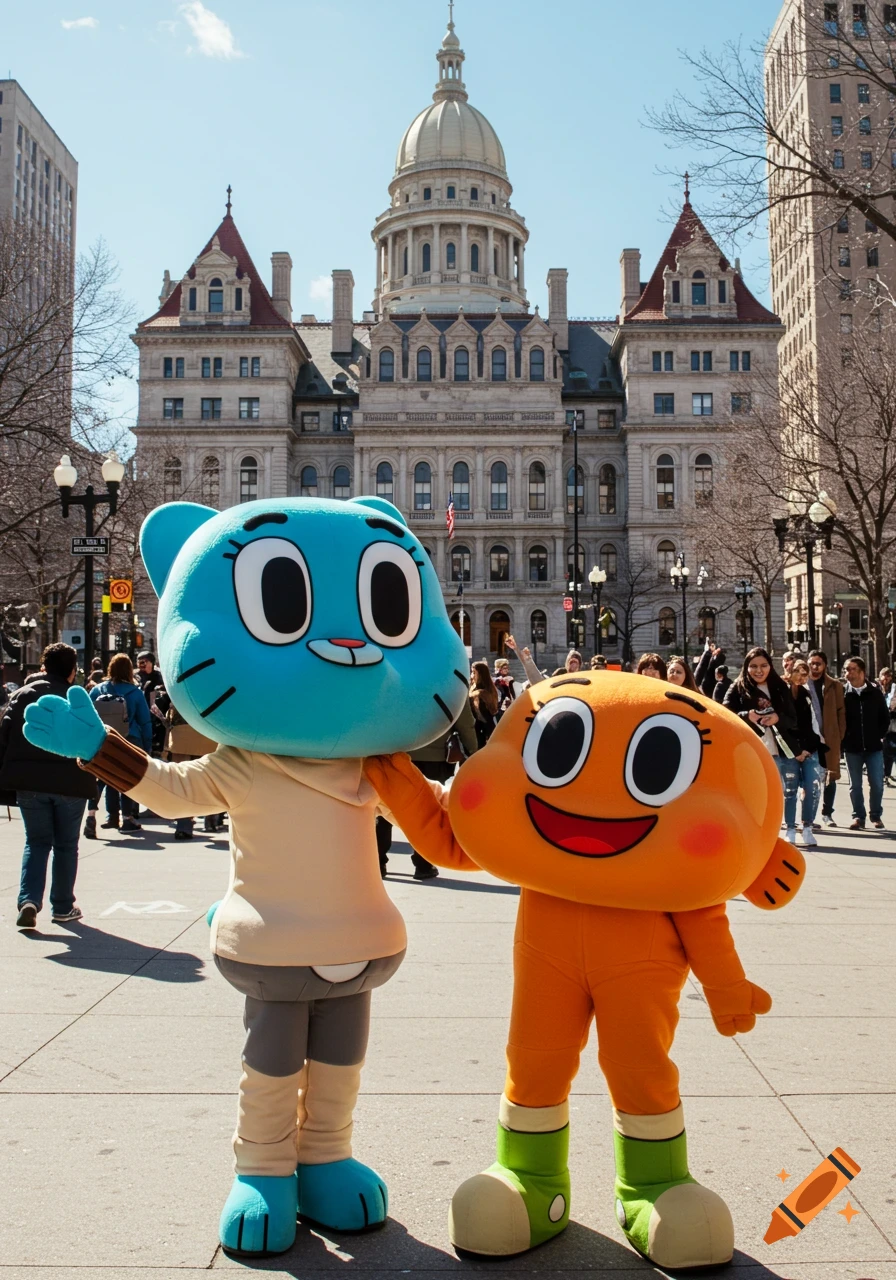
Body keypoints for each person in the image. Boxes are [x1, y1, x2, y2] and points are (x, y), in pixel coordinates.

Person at [0, 643, 96, 927]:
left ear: (43, 667)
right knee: (66, 845)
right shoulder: (78, 698)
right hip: (71, 783)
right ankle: (63, 906)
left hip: (29, 783)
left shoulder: (21, 696)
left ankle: (29, 900)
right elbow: (94, 740)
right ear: (72, 671)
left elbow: (4, 739)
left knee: (36, 842)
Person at [723, 648, 801, 829]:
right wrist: (745, 716)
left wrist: (777, 718)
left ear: (770, 666)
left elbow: (793, 719)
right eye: (753, 666)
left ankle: (774, 830)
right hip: (749, 749)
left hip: (778, 749)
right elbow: (723, 713)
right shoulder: (738, 687)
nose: (759, 670)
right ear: (746, 667)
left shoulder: (781, 687)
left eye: (764, 666)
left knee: (777, 794)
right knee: (751, 794)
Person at [405, 698, 479, 880]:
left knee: (385, 801)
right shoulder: (449, 683)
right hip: (435, 753)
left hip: (401, 750)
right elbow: (466, 723)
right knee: (427, 810)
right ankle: (423, 863)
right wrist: (472, 750)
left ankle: (379, 861)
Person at [88, 654, 153, 832]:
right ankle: (127, 818)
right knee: (126, 778)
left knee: (103, 777)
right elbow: (145, 721)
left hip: (104, 739)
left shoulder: (97, 690)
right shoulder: (135, 692)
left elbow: (89, 717)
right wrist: (148, 745)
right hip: (128, 739)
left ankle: (95, 815)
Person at [841, 656, 889, 830]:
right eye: (846, 669)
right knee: (855, 785)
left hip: (873, 747)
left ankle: (875, 815)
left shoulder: (875, 692)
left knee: (877, 783)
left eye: (852, 669)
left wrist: (878, 736)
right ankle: (858, 817)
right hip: (852, 747)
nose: (848, 673)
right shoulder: (843, 693)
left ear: (862, 672)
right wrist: (844, 739)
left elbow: (884, 717)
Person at [784, 659, 822, 846]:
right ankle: (790, 827)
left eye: (805, 673)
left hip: (808, 749)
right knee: (789, 791)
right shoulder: (782, 694)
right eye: (799, 672)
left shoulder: (806, 694)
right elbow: (781, 726)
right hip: (789, 750)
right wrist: (795, 750)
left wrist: (809, 748)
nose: (802, 676)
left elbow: (812, 723)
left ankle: (807, 826)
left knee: (811, 788)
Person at [807, 650, 846, 827]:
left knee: (830, 776)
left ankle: (827, 813)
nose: (815, 667)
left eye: (819, 664)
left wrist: (838, 735)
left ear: (824, 666)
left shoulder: (834, 685)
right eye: (812, 663)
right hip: (809, 739)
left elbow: (841, 713)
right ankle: (809, 816)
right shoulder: (801, 683)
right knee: (810, 779)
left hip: (829, 738)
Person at [470, 661, 500, 748]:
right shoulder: (474, 688)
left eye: (474, 673)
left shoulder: (482, 693)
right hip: (481, 730)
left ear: (481, 675)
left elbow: (484, 716)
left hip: (482, 732)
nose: (472, 676)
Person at [878, 668, 896, 785]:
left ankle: (886, 774)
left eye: (888, 676)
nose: (886, 679)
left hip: (892, 724)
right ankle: (885, 774)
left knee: (890, 750)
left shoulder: (893, 689)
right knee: (885, 752)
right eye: (884, 676)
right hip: (881, 725)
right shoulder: (876, 689)